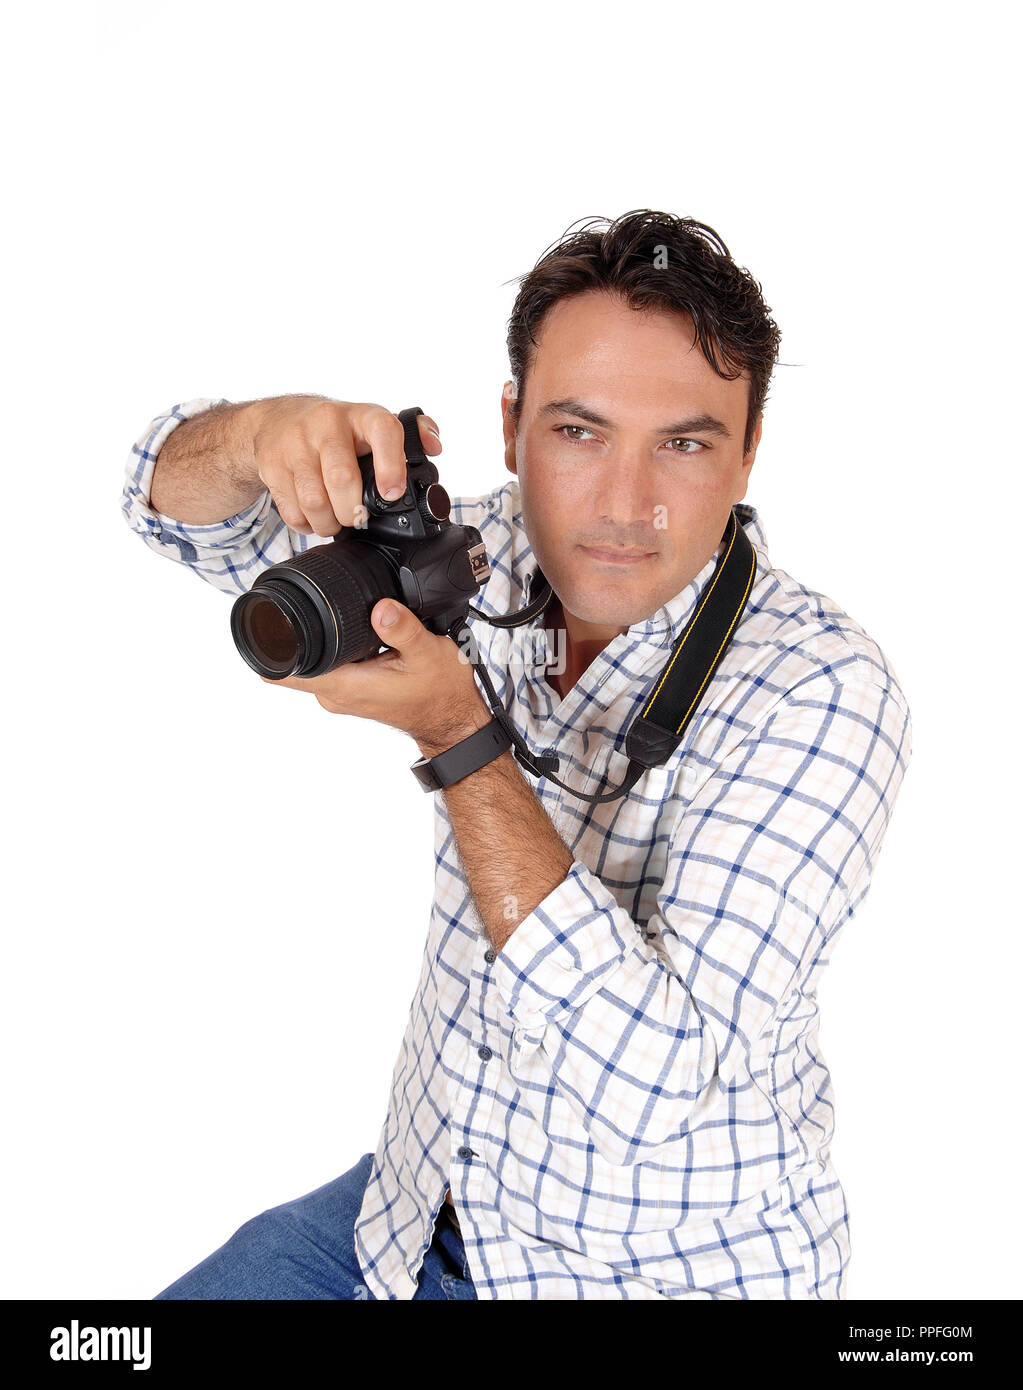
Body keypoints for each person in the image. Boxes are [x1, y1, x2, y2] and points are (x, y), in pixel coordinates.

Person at [120, 210, 912, 1300]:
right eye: (578, 433)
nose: (624, 507)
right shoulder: (477, 556)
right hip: (415, 1208)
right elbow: (171, 511)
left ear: (750, 450)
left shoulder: (821, 692)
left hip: (645, 1277)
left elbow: (652, 1086)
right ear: (509, 424)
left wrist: (461, 740)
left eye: (683, 443)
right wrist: (258, 435)